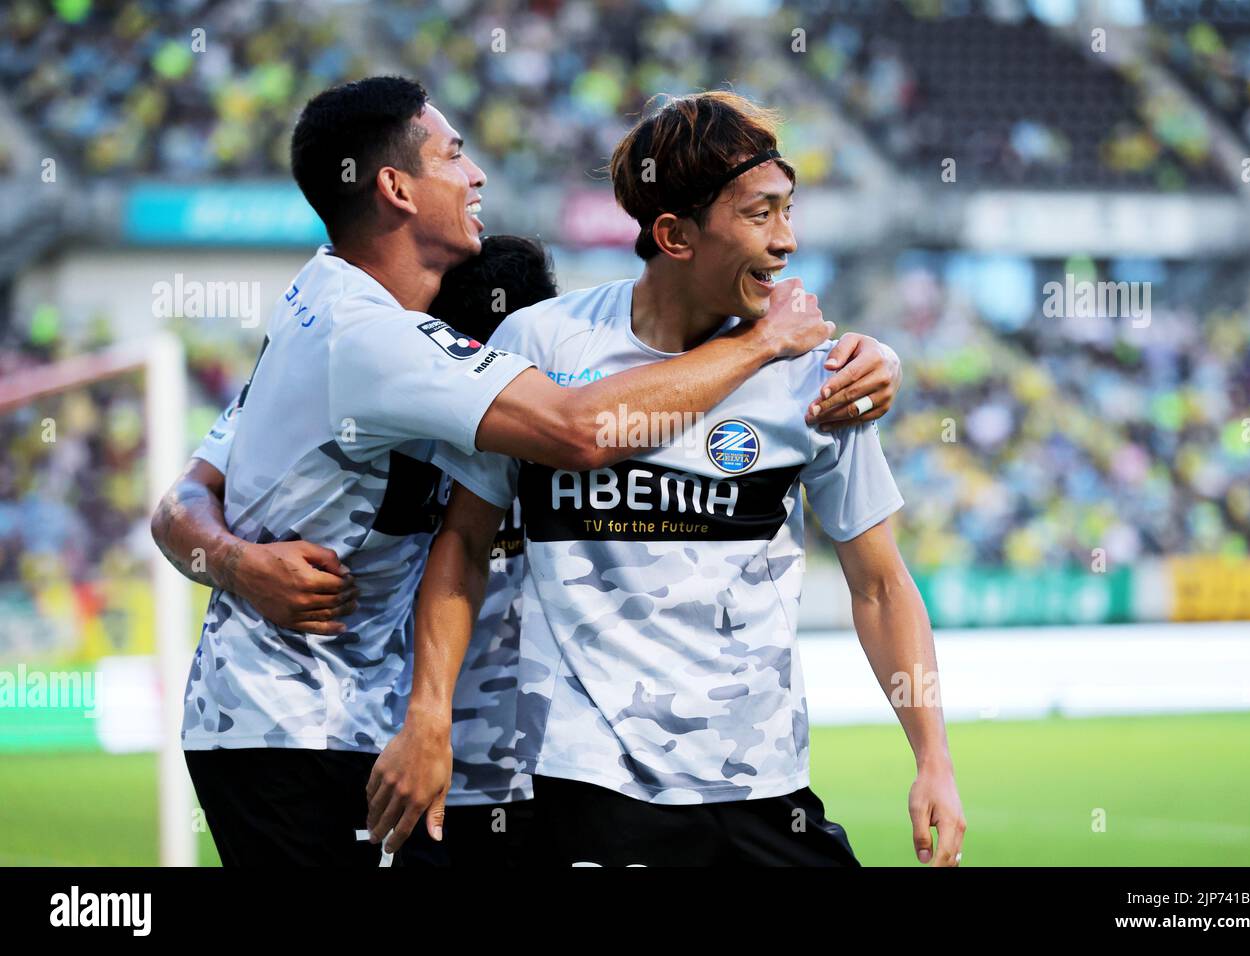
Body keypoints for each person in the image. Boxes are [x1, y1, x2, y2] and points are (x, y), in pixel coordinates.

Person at [151, 76, 901, 866]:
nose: (477, 175)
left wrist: (870, 354)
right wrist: (763, 343)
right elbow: (580, 430)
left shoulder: (325, 307)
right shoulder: (375, 339)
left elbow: (184, 497)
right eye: (454, 155)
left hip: (368, 731)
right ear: (396, 188)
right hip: (297, 723)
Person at [388, 91, 965, 866]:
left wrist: (934, 759)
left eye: (789, 211)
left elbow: (881, 586)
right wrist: (428, 714)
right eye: (761, 215)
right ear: (674, 235)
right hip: (587, 783)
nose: (787, 240)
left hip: (759, 782)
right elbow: (461, 545)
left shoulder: (822, 376)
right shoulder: (544, 343)